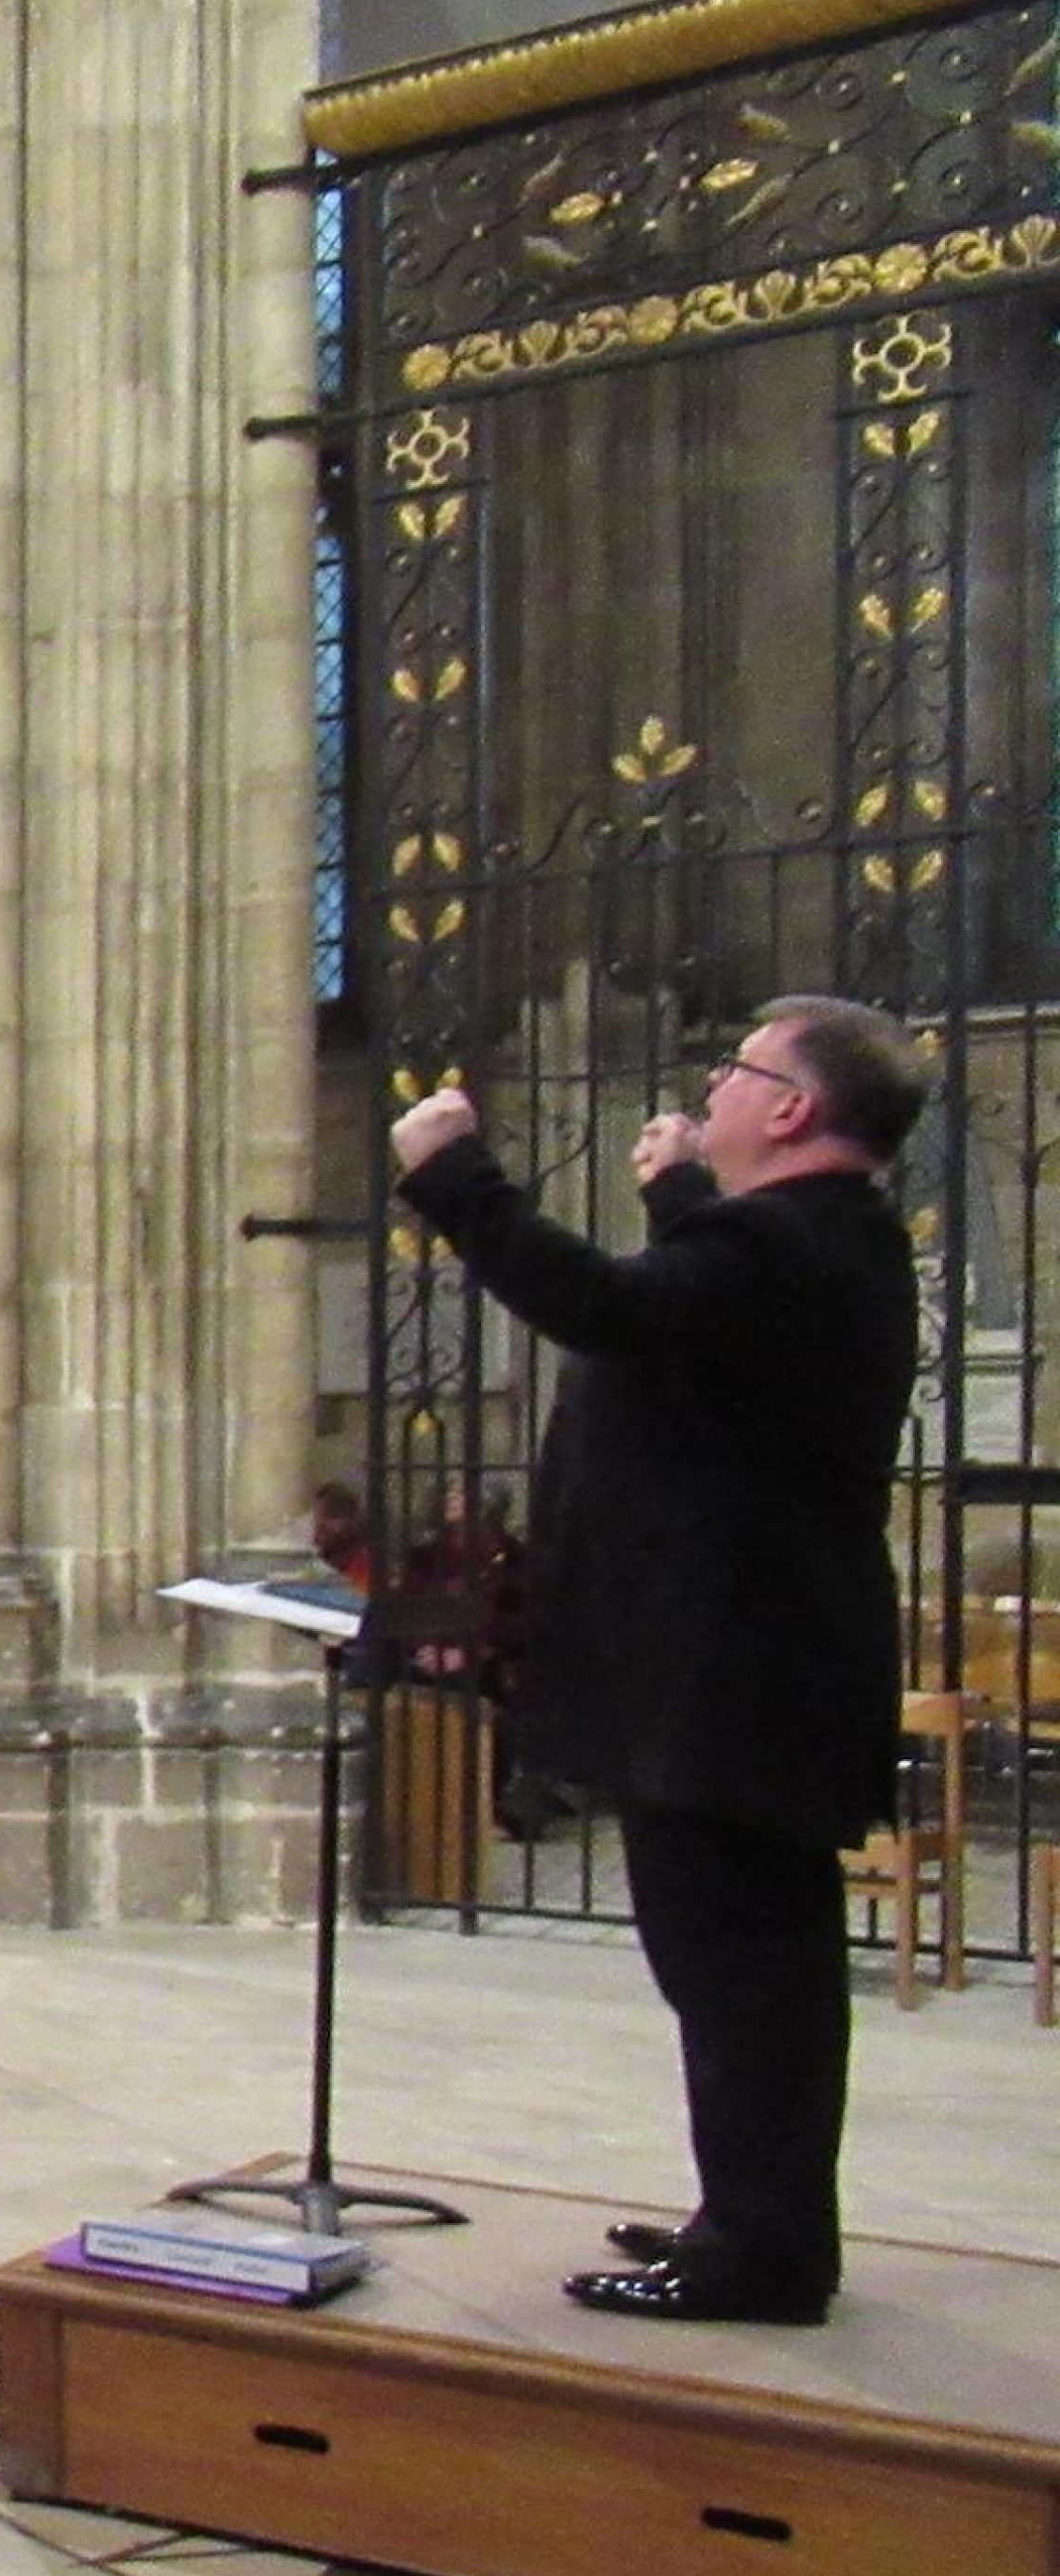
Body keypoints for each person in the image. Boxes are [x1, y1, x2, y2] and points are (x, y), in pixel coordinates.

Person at [390, 994, 926, 2325]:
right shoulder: (810, 1241)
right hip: (754, 1663)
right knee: (750, 1967)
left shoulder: (792, 1246)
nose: (716, 1084)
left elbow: (612, 1306)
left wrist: (456, 1177)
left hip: (732, 1672)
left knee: (742, 1967)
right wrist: (684, 1189)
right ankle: (754, 2217)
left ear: (793, 1108)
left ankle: (763, 2251)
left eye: (739, 1069)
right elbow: (709, 1319)